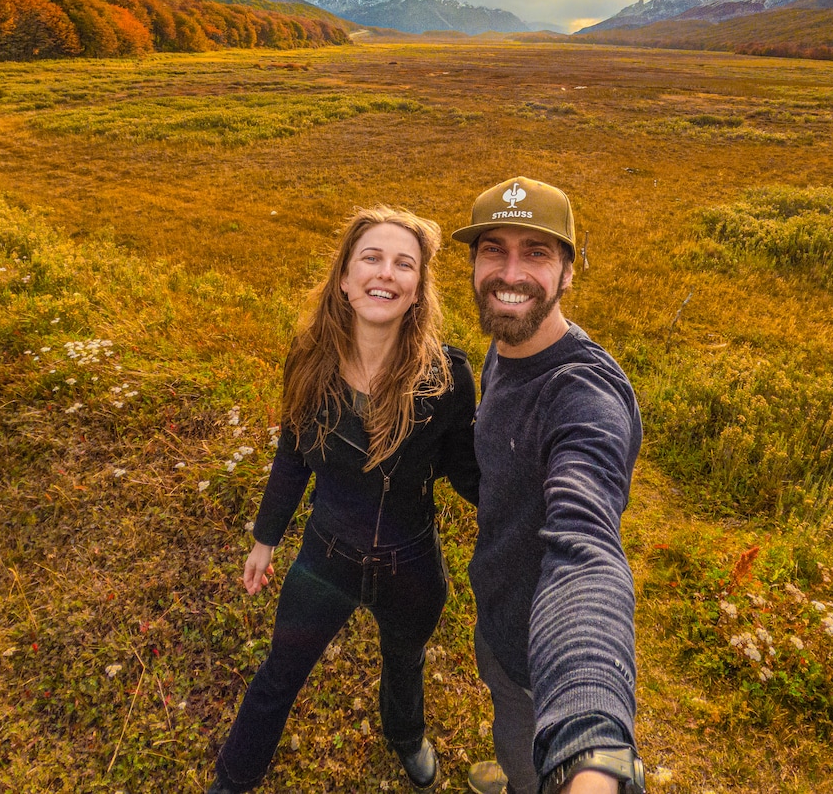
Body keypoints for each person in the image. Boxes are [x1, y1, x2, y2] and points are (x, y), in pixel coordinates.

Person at [207, 206, 480, 794]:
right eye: (372, 258)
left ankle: (406, 736)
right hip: (325, 559)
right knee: (279, 673)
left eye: (404, 264)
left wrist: (529, 491)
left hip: (411, 565)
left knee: (405, 661)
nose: (387, 273)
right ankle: (232, 780)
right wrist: (266, 537)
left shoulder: (446, 377)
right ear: (345, 280)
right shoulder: (310, 360)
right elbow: (292, 454)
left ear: (417, 291)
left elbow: (468, 473)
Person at [451, 178, 645, 794]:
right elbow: (498, 472)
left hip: (541, 652)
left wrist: (592, 751)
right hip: (499, 612)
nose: (510, 274)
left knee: (528, 747)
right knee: (509, 724)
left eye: (536, 252)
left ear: (568, 272)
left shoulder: (581, 396)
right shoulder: (509, 338)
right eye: (493, 250)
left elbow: (585, 551)